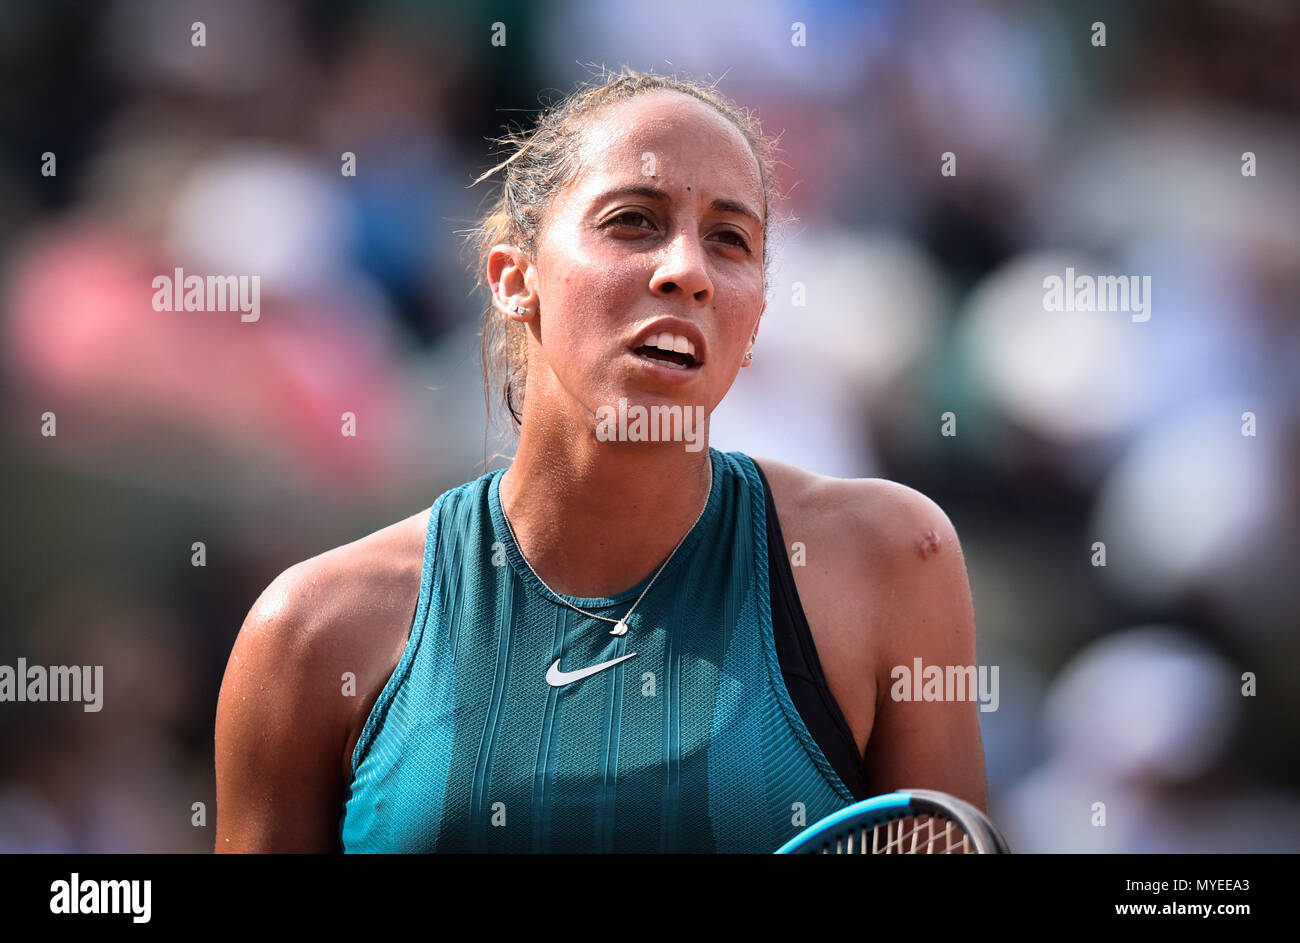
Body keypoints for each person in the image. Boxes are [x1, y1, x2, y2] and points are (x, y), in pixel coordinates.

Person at [214, 68, 988, 853]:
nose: (687, 270)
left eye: (730, 240)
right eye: (633, 221)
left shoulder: (891, 558)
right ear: (515, 279)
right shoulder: (309, 630)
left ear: (754, 320)